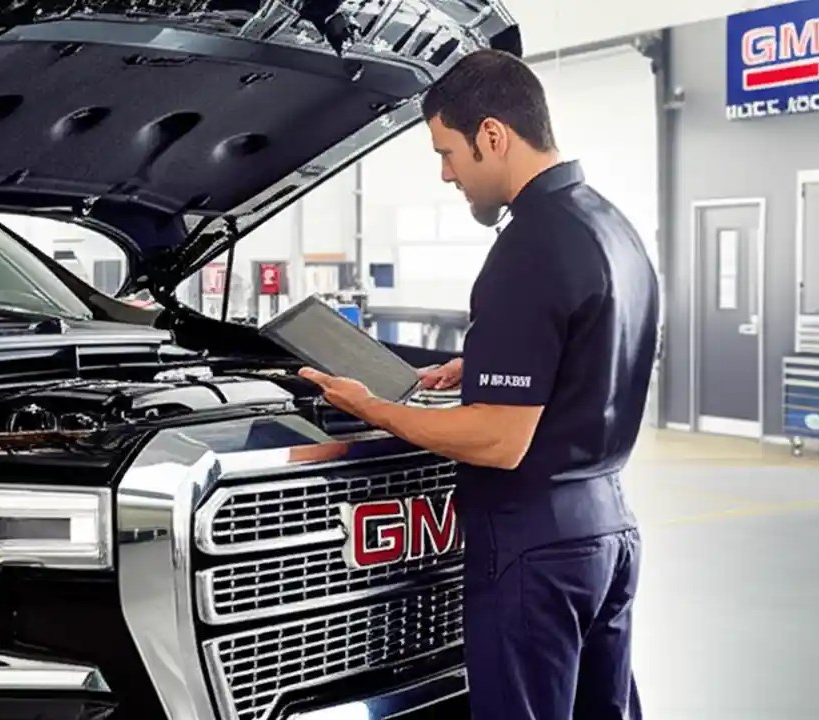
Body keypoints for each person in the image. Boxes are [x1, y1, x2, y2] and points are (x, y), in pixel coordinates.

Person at [298, 48, 659, 720]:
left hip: (535, 549)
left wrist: (373, 408)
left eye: (448, 152)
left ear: (492, 135)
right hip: (608, 528)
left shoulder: (528, 247)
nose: (446, 174)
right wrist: (492, 360)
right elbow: (597, 345)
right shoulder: (612, 227)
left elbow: (497, 440)